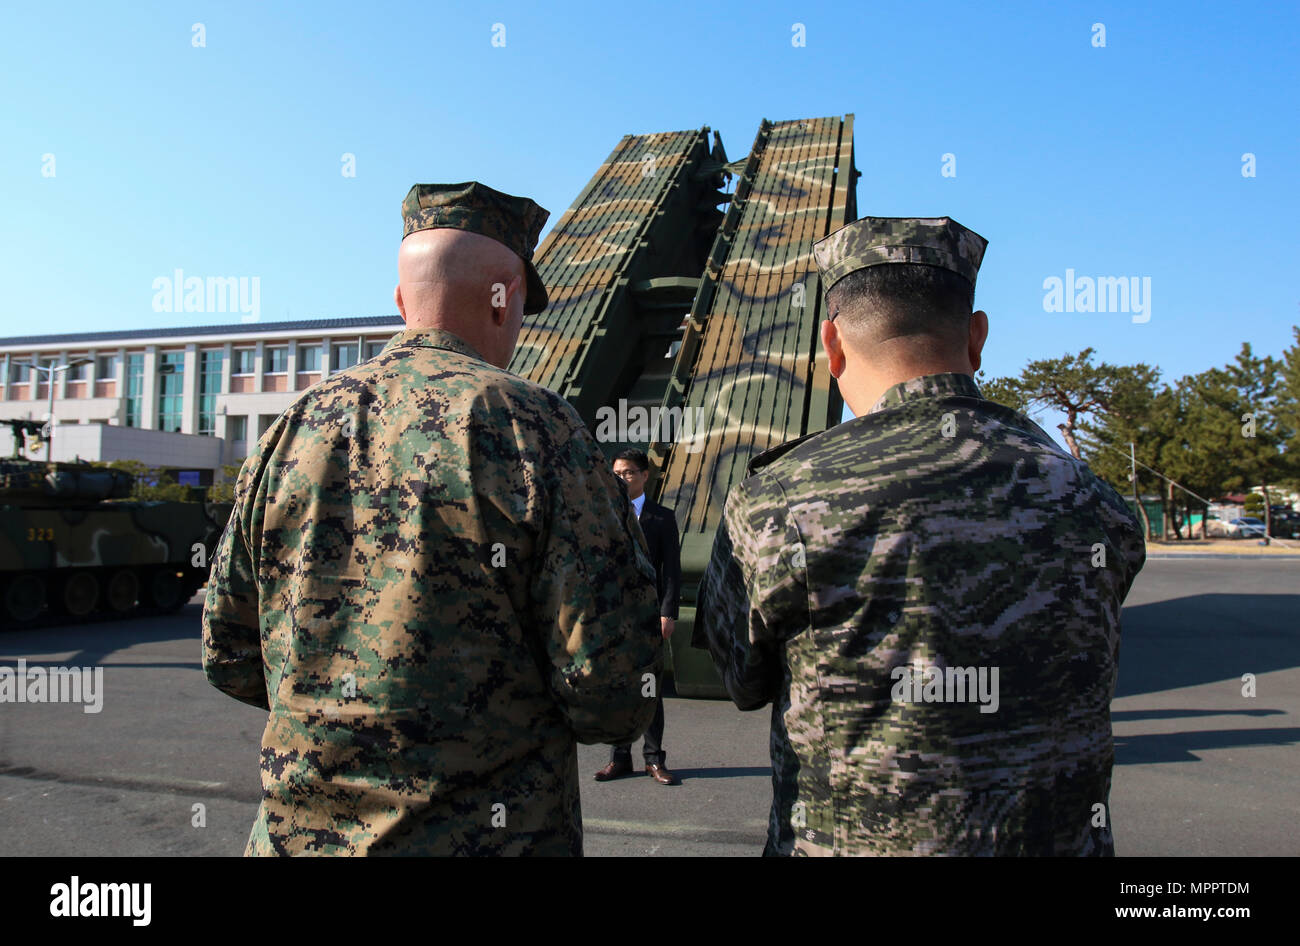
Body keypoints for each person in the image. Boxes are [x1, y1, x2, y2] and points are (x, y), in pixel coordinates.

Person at [202, 181, 664, 856]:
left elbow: (229, 654)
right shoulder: (538, 428)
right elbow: (613, 693)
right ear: (504, 298)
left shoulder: (291, 428)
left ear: (400, 301)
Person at [694, 216, 1146, 856]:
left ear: (832, 343)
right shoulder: (1091, 497)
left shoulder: (777, 498)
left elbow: (742, 681)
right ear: (978, 336)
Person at [594, 448, 681, 785]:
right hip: (614, 616)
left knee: (649, 690)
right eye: (616, 473)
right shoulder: (603, 515)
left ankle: (654, 759)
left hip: (648, 617)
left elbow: (671, 571)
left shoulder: (662, 518)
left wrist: (667, 613)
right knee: (617, 689)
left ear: (645, 475)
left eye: (629, 472)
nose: (621, 478)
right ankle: (619, 759)